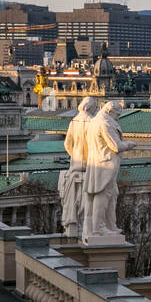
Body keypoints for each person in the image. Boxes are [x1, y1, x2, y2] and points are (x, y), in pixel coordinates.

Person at [83, 100, 135, 240]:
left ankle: (110, 225)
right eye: (117, 114)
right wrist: (130, 144)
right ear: (109, 111)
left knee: (112, 194)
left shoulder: (94, 121)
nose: (118, 117)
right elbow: (116, 146)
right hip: (105, 164)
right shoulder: (105, 123)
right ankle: (99, 228)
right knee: (103, 194)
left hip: (97, 162)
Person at [57, 96, 98, 237]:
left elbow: (67, 144)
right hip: (89, 166)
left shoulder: (74, 121)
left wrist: (74, 155)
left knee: (76, 203)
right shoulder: (93, 122)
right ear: (92, 107)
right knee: (85, 206)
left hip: (75, 164)